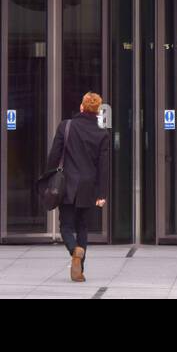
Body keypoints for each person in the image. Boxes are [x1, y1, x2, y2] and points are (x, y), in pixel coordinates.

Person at [45, 92, 110, 283]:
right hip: (88, 186)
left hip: (66, 184)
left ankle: (75, 251)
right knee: (82, 225)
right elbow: (103, 167)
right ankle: (79, 270)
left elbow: (54, 155)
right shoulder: (102, 133)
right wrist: (102, 193)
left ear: (82, 107)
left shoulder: (66, 126)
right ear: (97, 110)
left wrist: (49, 176)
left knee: (65, 225)